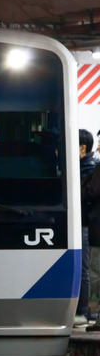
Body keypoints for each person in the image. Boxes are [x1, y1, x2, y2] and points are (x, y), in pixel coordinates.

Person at [76, 129, 98, 327]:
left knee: (85, 271)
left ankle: (83, 312)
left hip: (85, 225)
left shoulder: (88, 167)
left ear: (82, 148)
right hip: (85, 224)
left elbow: (85, 195)